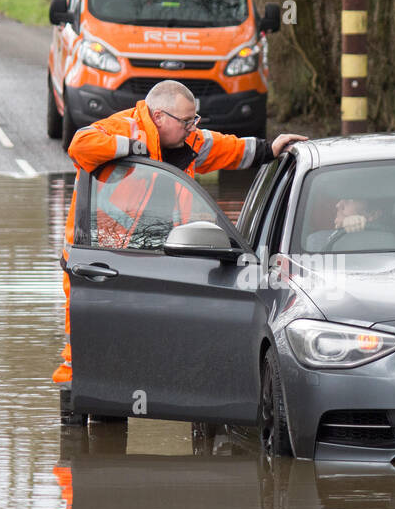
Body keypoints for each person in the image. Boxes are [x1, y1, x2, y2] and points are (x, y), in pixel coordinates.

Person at [54, 80, 306, 384]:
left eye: (194, 120)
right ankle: (78, 392)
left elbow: (228, 148)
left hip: (161, 259)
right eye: (186, 121)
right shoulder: (122, 128)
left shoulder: (189, 142)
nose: (192, 127)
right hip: (104, 258)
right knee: (92, 346)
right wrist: (133, 149)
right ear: (159, 117)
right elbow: (80, 145)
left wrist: (269, 149)